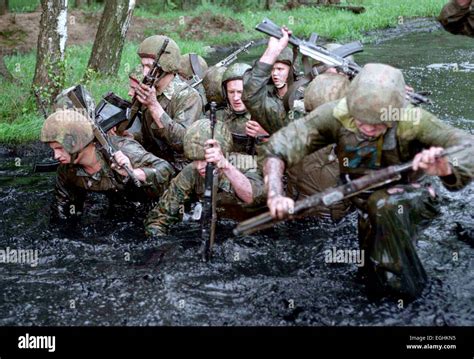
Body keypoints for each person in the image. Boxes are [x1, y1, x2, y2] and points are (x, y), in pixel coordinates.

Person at [260, 63, 474, 300]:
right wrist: (275, 194)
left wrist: (446, 167)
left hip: (413, 198)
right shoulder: (335, 114)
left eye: (378, 125)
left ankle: (409, 300)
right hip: (365, 202)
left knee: (386, 221)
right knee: (369, 273)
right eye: (362, 122)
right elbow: (278, 147)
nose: (369, 130)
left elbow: (467, 146)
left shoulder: (413, 120)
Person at [41, 109, 175, 224]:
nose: (55, 156)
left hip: (152, 207)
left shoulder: (123, 150)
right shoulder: (66, 170)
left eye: (59, 148)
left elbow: (167, 170)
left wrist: (134, 173)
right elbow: (64, 209)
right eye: (53, 150)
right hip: (116, 210)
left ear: (77, 143)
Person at [145, 119, 265, 237]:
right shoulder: (191, 172)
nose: (200, 167)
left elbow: (252, 197)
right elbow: (160, 217)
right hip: (218, 230)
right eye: (196, 160)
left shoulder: (247, 163)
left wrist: (226, 166)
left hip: (256, 231)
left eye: (205, 160)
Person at [132, 35, 203, 171]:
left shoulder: (189, 97)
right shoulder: (152, 91)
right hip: (154, 162)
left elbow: (181, 142)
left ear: (166, 66)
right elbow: (148, 137)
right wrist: (131, 137)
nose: (145, 72)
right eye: (143, 66)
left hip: (180, 168)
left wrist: (153, 106)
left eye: (149, 66)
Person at [242, 34, 297, 134]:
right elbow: (250, 93)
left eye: (280, 69)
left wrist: (266, 135)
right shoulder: (265, 95)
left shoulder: (302, 99)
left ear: (291, 71)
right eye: (272, 69)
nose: (275, 73)